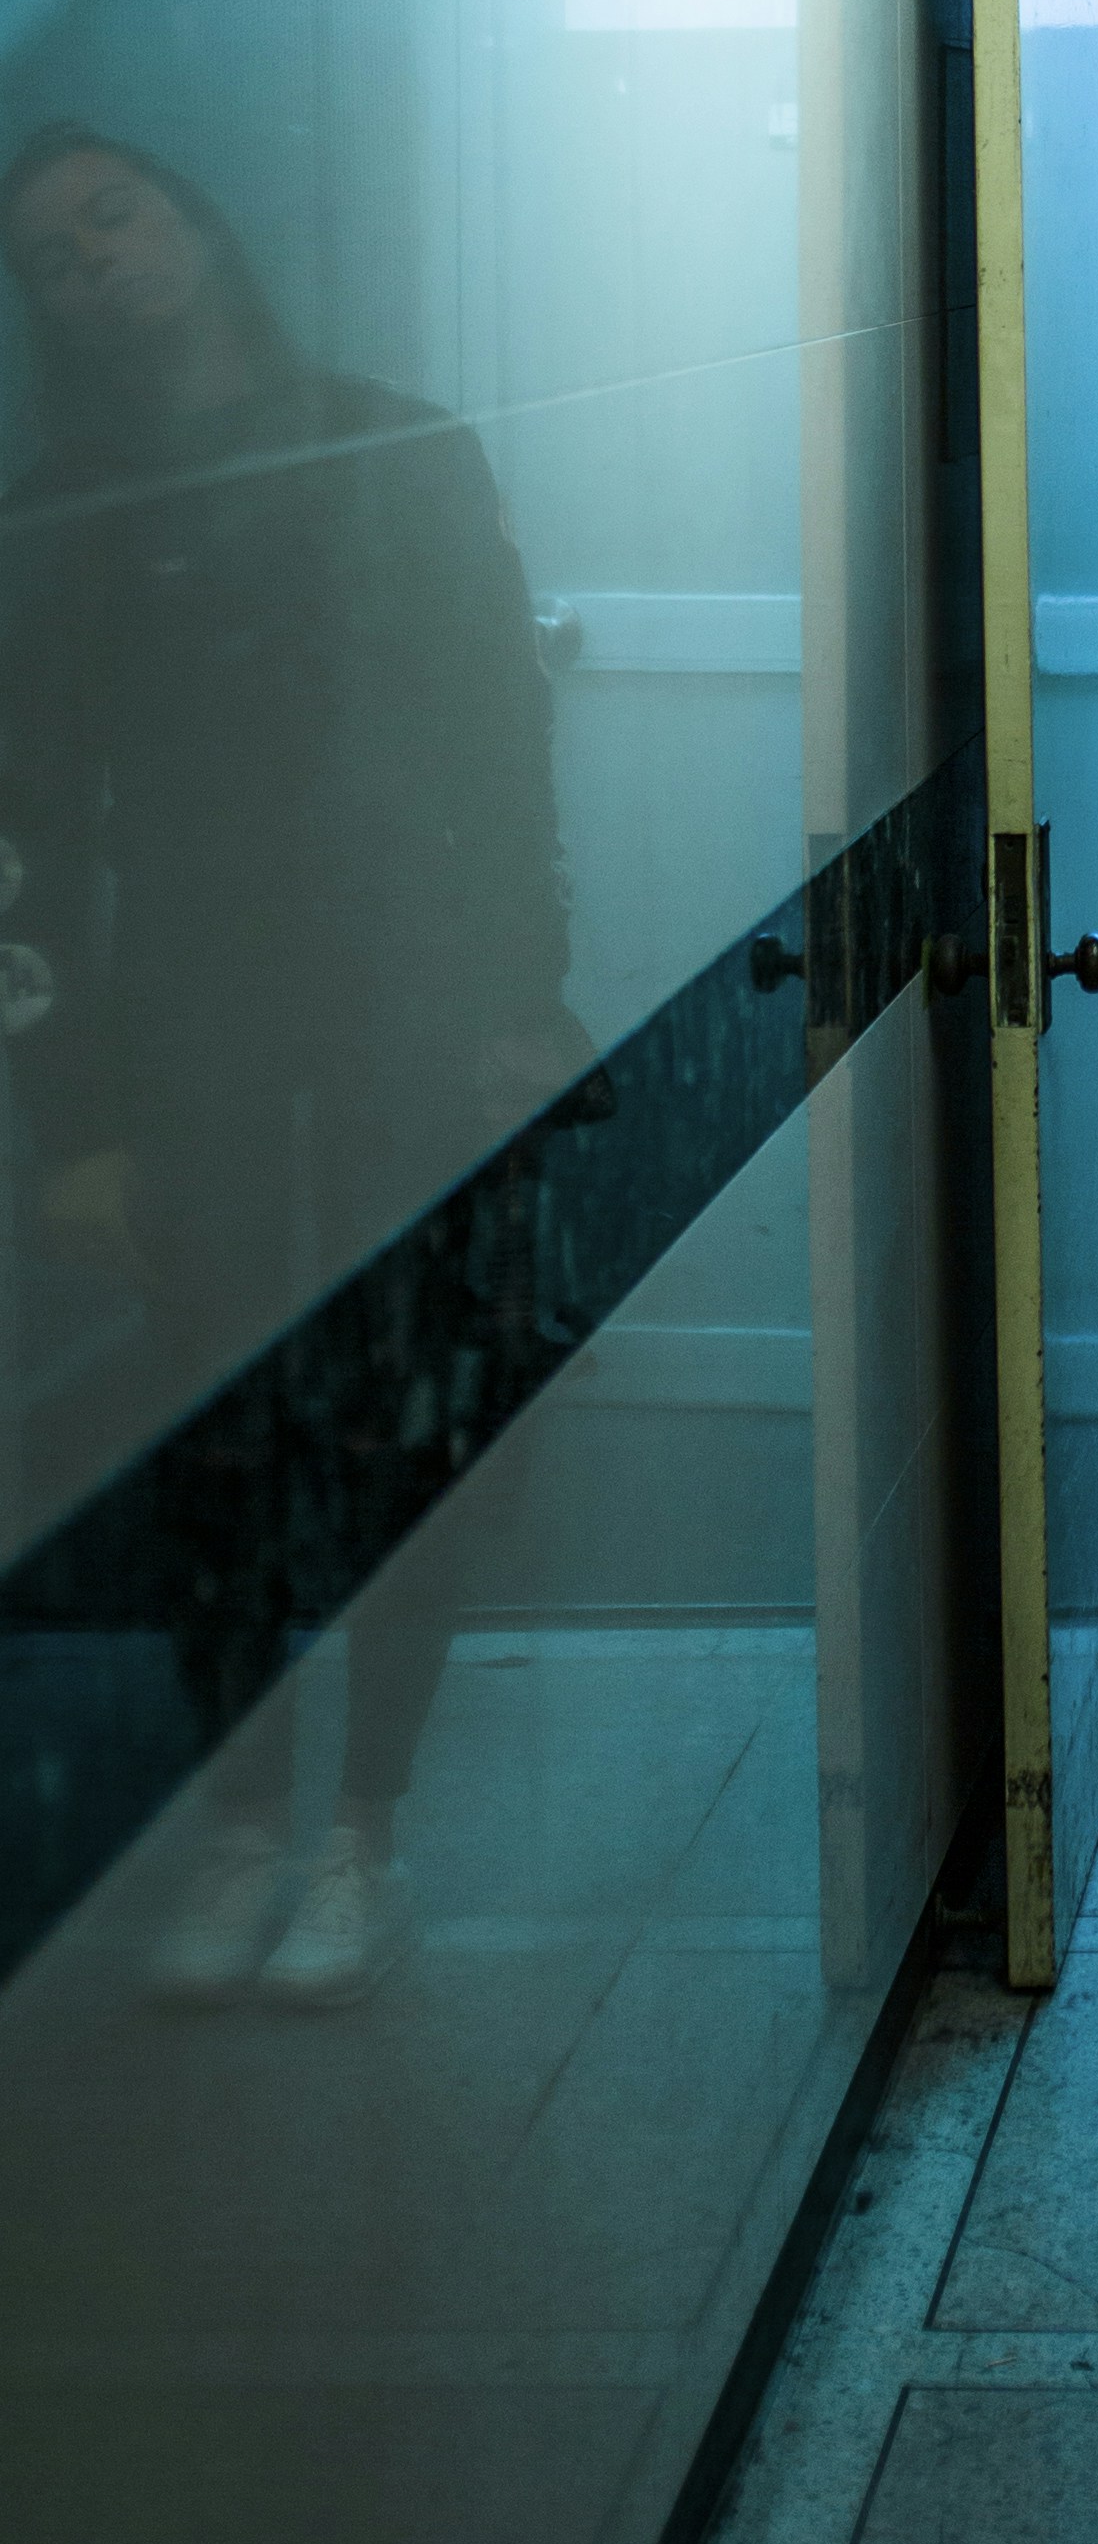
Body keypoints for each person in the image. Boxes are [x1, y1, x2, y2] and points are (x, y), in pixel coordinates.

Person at [0, 125, 577, 2007]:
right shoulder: (71, 509)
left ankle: (361, 1834)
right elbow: (26, 835)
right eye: (53, 252)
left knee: (404, 1399)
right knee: (223, 1415)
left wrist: (521, 995)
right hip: (195, 1024)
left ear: (193, 213)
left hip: (410, 993)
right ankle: (249, 1819)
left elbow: (499, 741)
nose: (97, 257)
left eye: (115, 212)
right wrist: (75, 1122)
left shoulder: (389, 445)